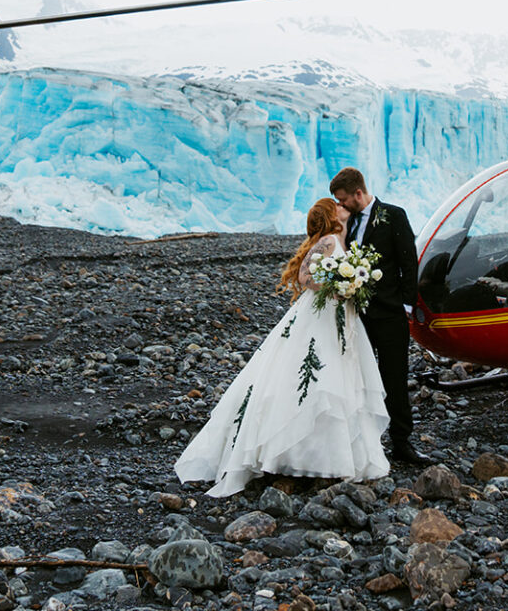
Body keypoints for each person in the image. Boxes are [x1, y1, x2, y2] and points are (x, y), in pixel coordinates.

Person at [174, 198, 390, 497]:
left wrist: (348, 283)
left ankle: (324, 456)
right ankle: (301, 456)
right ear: (330, 215)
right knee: (320, 375)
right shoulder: (328, 241)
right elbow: (304, 277)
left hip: (337, 314)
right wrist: (336, 284)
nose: (343, 207)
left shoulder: (338, 239)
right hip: (321, 314)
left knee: (335, 375)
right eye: (336, 205)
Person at [329, 167, 428, 465]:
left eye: (344, 199)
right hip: (356, 313)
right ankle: (361, 442)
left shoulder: (393, 215)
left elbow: (409, 262)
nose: (341, 205)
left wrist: (406, 305)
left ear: (359, 193)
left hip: (389, 312)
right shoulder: (347, 221)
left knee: (394, 376)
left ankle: (401, 442)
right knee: (356, 377)